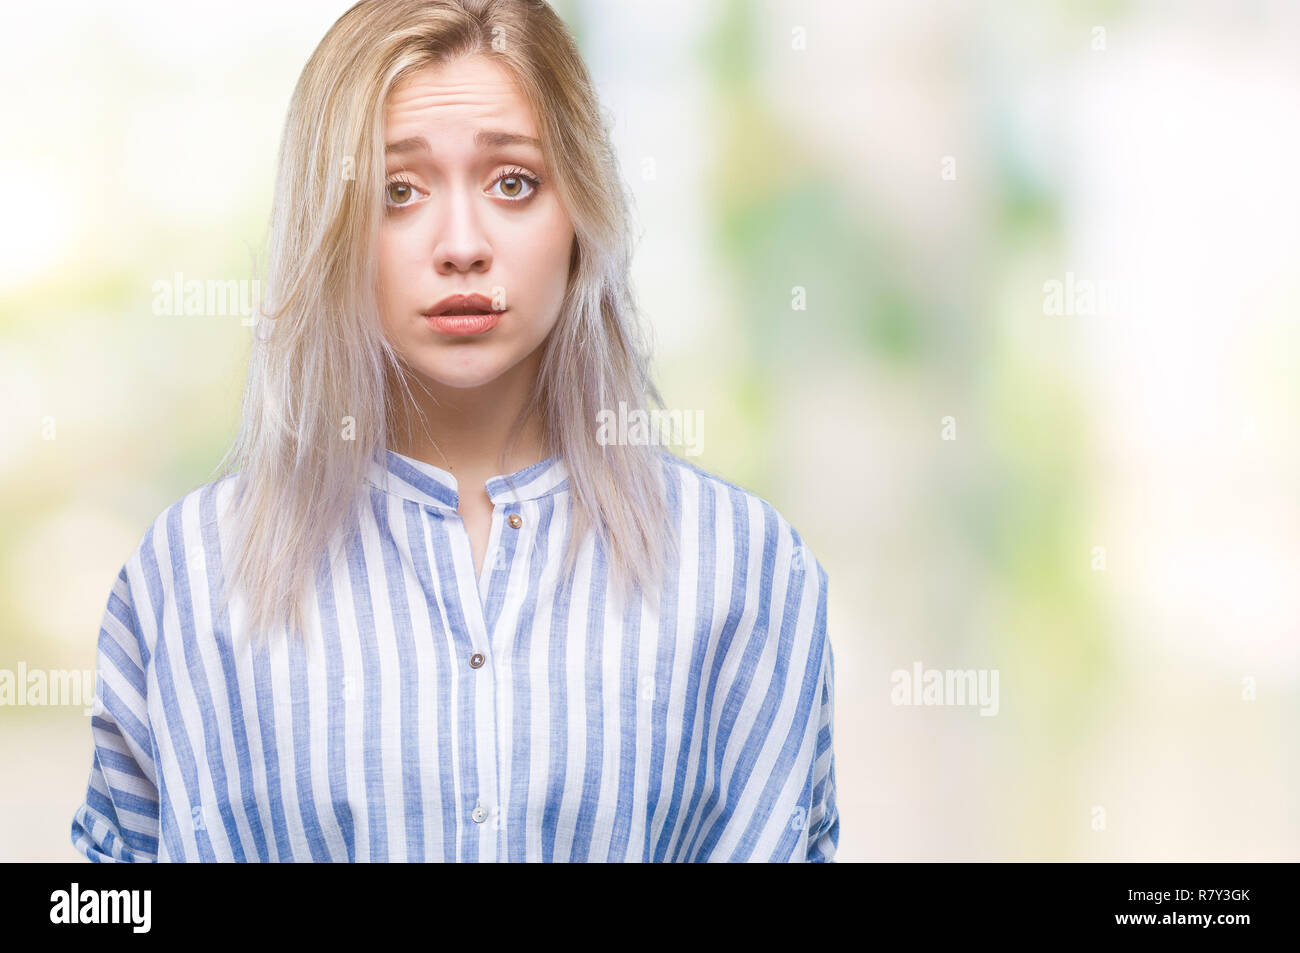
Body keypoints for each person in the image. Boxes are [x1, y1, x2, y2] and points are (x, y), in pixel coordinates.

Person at [71, 0, 838, 863]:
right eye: (399, 191)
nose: (462, 245)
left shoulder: (743, 568)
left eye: (513, 181)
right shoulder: (187, 577)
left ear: (581, 214)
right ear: (329, 225)